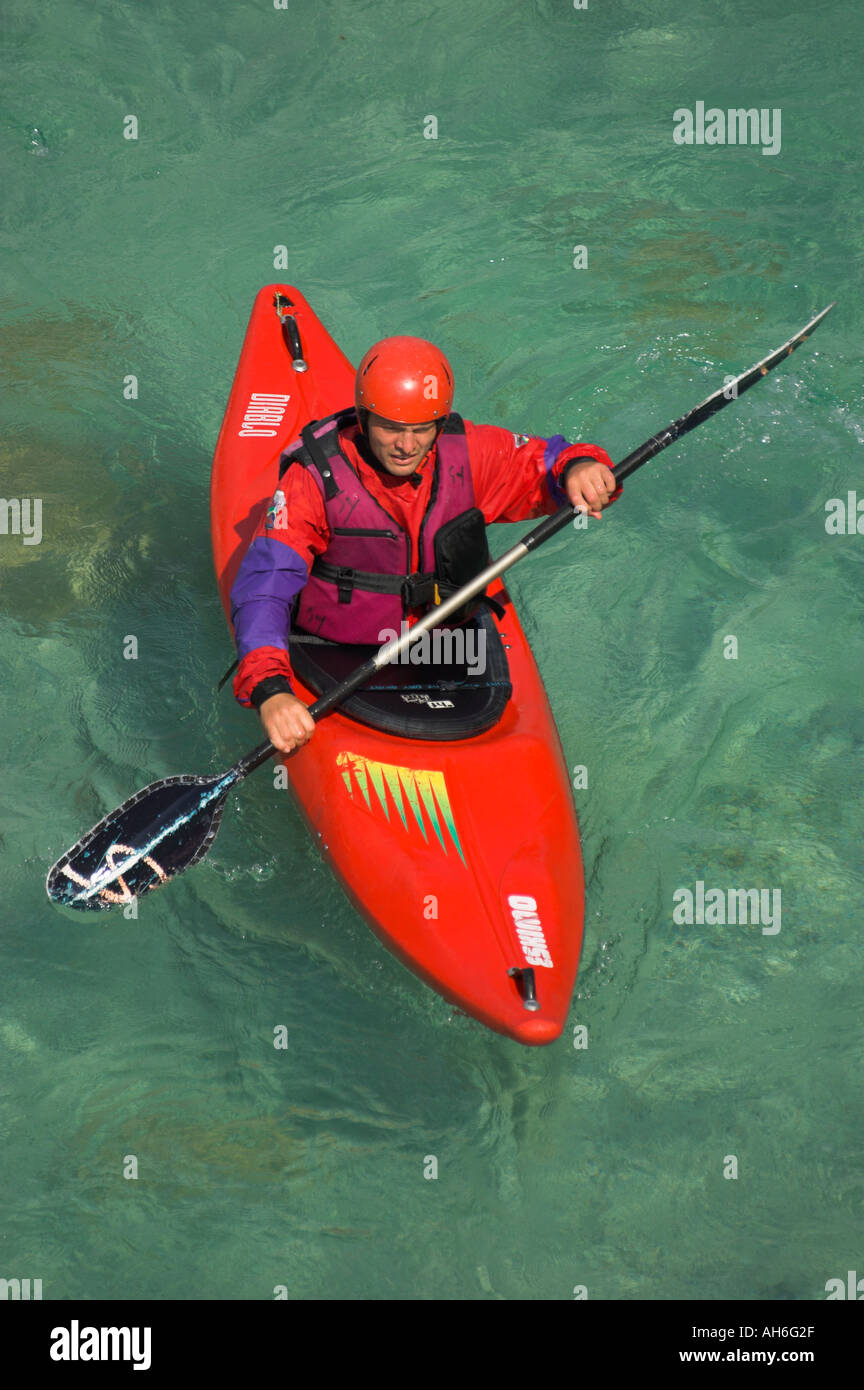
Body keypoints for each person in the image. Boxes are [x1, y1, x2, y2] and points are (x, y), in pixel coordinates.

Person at [230, 335, 620, 754]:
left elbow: (545, 462)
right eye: (391, 428)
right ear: (363, 418)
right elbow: (265, 587)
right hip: (336, 649)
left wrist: (580, 468)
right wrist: (270, 689)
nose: (406, 445)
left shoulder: (468, 453)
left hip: (448, 641)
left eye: (421, 429)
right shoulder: (312, 482)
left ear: (439, 421)